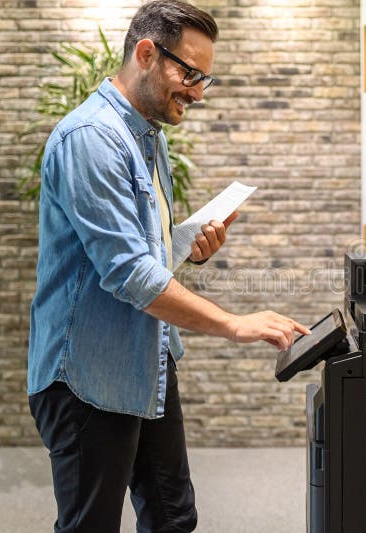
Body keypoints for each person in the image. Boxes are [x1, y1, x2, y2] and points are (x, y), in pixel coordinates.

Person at [26, 1, 310, 531]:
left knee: (174, 517)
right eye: (191, 73)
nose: (199, 92)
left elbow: (140, 250)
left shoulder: (147, 137)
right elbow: (128, 272)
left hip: (147, 362)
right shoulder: (91, 138)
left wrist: (184, 245)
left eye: (207, 78)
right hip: (87, 376)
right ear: (146, 53)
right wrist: (234, 323)